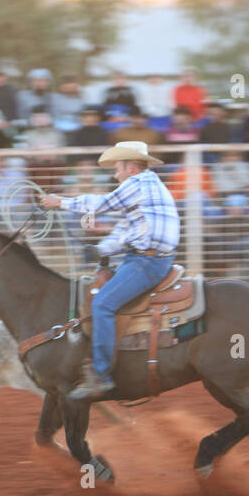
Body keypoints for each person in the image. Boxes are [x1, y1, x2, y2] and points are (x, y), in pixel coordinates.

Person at [38, 140, 180, 400]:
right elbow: (124, 232)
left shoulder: (139, 184)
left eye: (117, 168)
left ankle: (101, 375)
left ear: (131, 167)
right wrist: (101, 249)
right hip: (145, 258)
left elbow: (102, 203)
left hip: (147, 262)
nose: (115, 174)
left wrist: (60, 202)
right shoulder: (146, 188)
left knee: (102, 304)